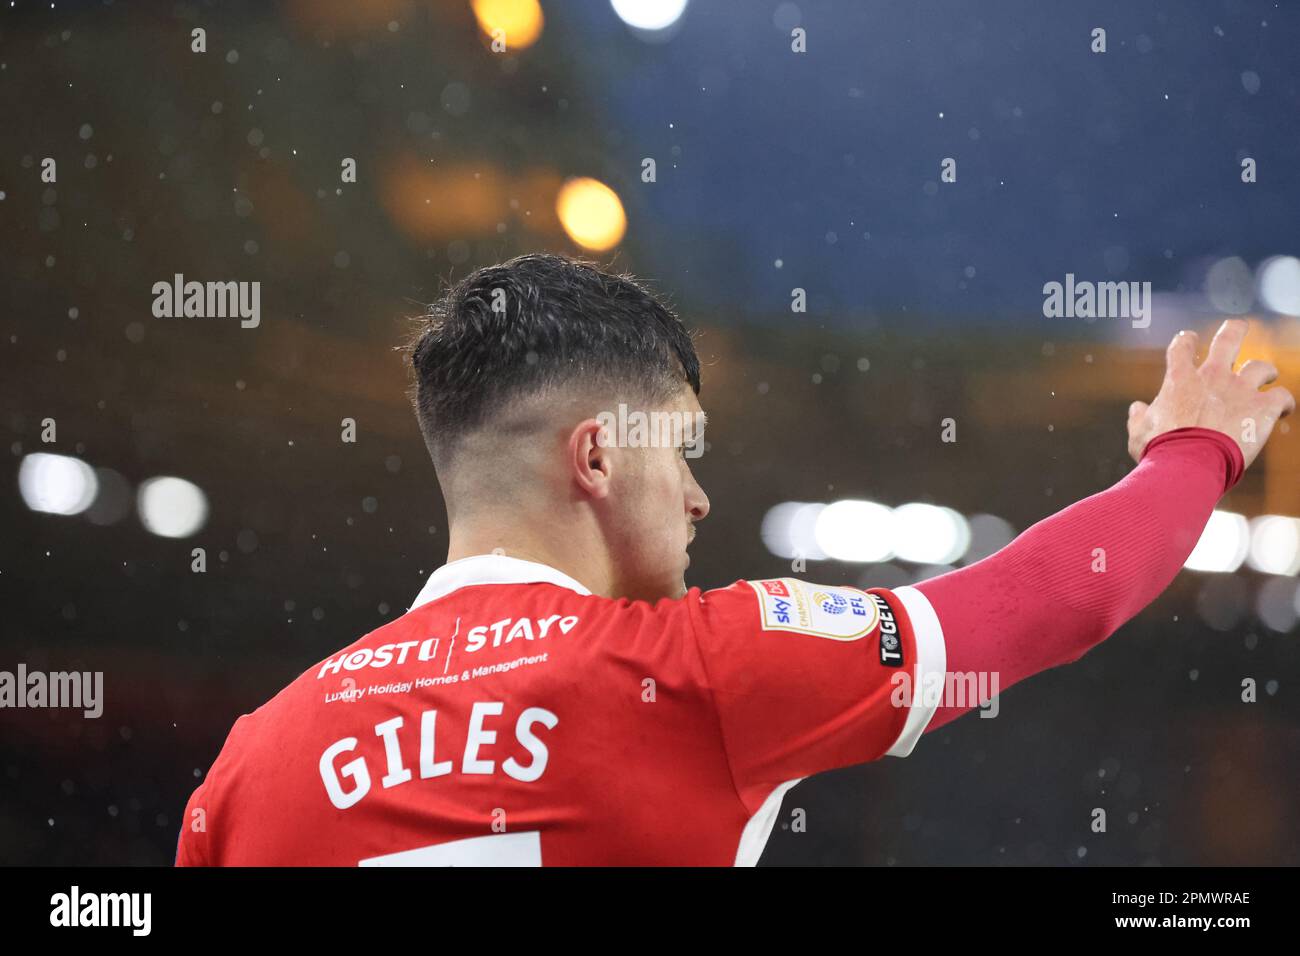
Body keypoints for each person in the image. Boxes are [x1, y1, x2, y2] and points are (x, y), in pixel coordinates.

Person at [175, 253, 1294, 866]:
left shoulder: (247, 766)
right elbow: (1067, 594)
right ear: (600, 457)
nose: (702, 495)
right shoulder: (697, 666)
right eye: (684, 455)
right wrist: (1196, 449)